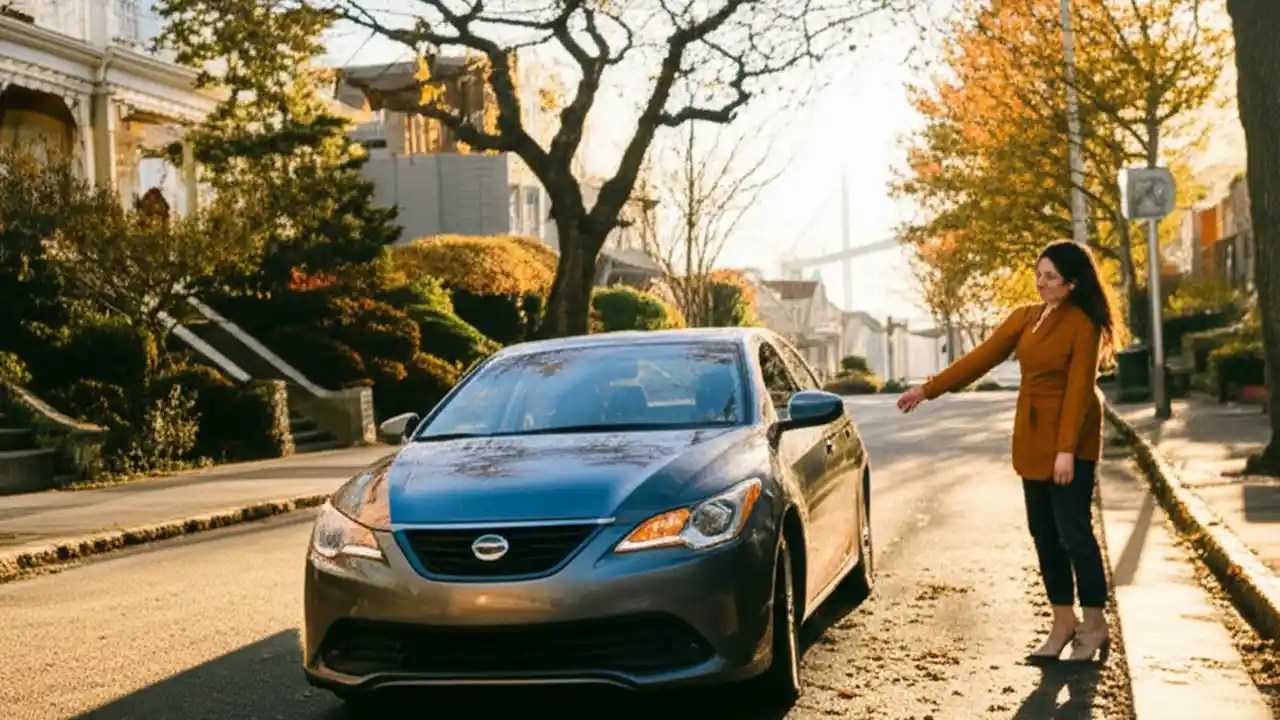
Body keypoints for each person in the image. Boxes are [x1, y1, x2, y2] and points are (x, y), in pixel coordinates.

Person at [896, 240, 1119, 665]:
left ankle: (1095, 625)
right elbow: (980, 359)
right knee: (1044, 535)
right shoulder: (1026, 318)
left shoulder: (1082, 324)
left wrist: (1067, 451)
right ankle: (1062, 622)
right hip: (1032, 439)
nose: (1041, 282)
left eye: (1051, 277)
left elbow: (1079, 390)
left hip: (1070, 442)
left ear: (1072, 282)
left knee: (1075, 534)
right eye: (1039, 274)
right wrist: (927, 389)